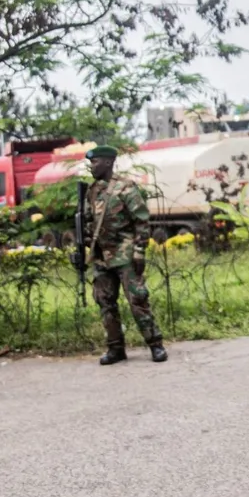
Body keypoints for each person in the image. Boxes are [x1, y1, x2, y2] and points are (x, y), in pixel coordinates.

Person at [85, 145, 167, 365]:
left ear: (108, 162)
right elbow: (88, 223)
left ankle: (155, 344)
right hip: (103, 256)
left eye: (95, 162)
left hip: (125, 253)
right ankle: (115, 348)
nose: (91, 166)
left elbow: (141, 221)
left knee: (137, 299)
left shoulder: (125, 188)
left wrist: (139, 251)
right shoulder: (92, 191)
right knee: (104, 301)